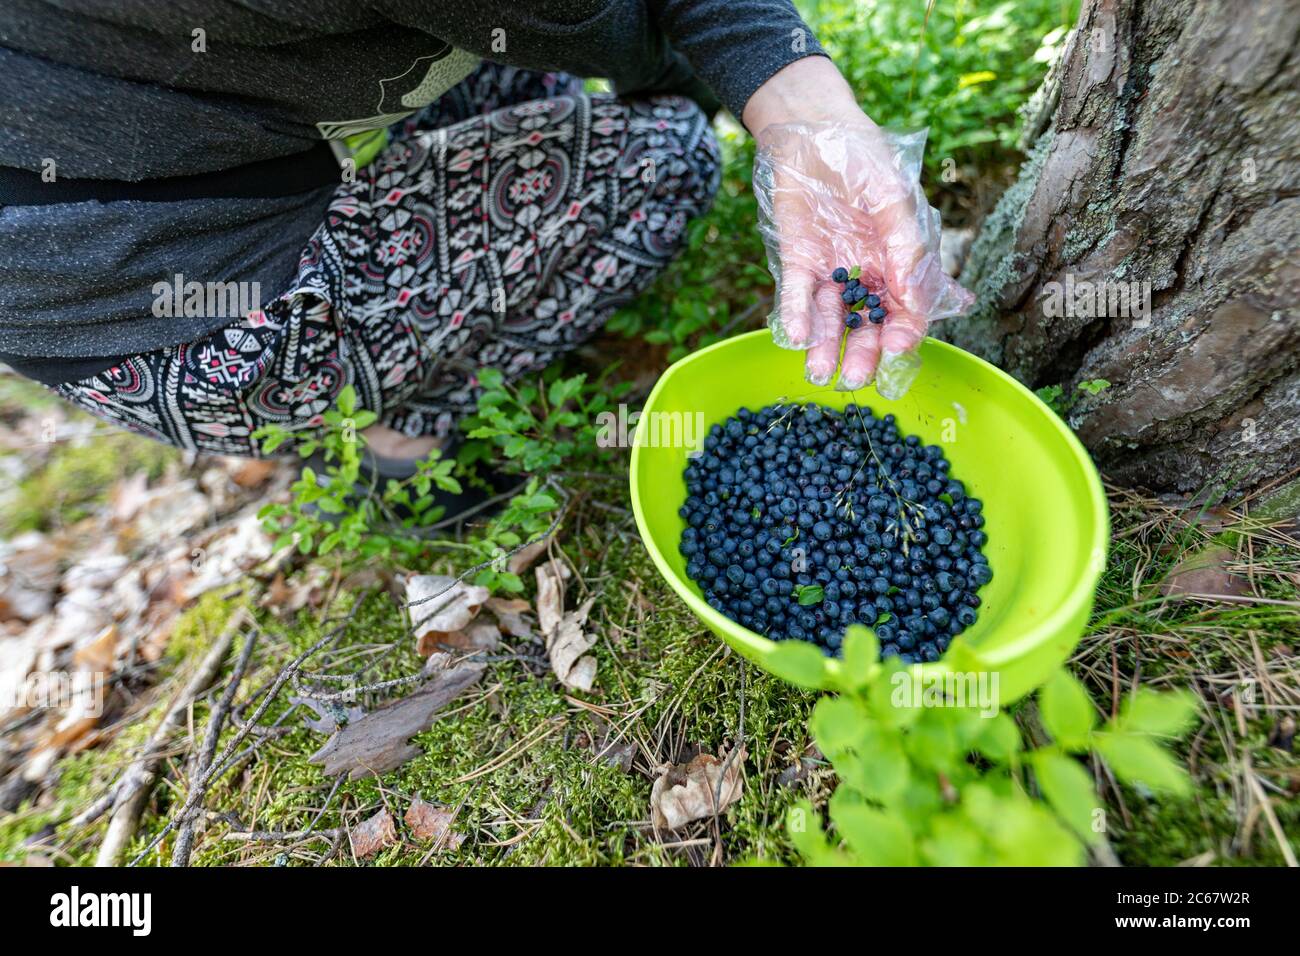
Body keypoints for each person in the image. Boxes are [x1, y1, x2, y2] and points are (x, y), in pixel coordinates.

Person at [0, 1, 934, 465]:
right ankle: (400, 440)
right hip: (175, 321)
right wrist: (780, 103)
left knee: (526, 93)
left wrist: (810, 126)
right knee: (663, 157)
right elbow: (626, 29)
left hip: (100, 229)